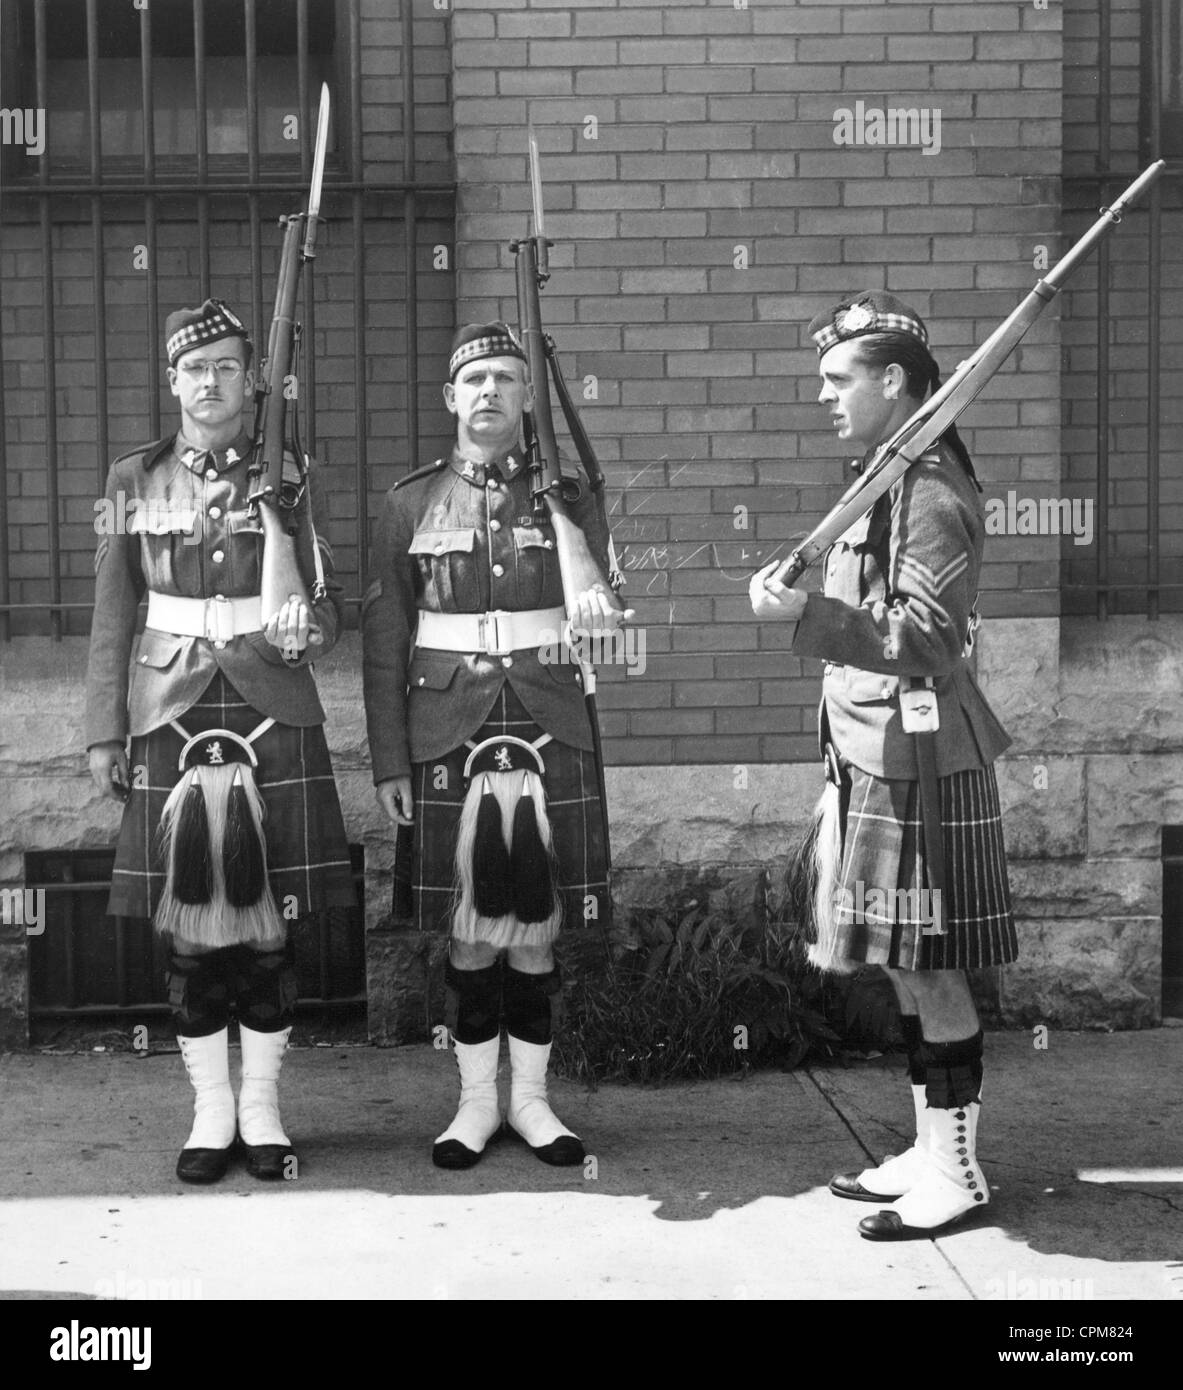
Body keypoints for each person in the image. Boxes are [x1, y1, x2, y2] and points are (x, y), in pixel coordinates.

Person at [750, 292, 1017, 1239]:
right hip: (872, 750)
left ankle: (957, 1171)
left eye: (837, 379)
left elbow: (930, 638)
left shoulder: (931, 488)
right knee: (902, 967)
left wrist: (804, 621)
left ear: (893, 381)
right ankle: (926, 1148)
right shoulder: (883, 478)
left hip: (920, 762)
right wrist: (793, 586)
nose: (822, 396)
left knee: (932, 968)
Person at [85, 299, 355, 1183]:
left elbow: (328, 611)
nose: (210, 382)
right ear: (172, 382)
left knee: (271, 925)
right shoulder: (134, 478)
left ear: (252, 380)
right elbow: (113, 614)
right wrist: (102, 732)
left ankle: (265, 1111)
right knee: (192, 934)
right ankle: (210, 1114)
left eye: (227, 367)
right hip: (169, 711)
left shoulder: (292, 474)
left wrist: (305, 624)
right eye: (193, 369)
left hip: (270, 703)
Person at [362, 322, 614, 1170]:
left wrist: (569, 515)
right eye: (475, 380)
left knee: (536, 927)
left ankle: (534, 1104)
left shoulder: (569, 495)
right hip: (447, 725)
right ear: (449, 397)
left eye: (508, 379)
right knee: (467, 933)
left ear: (524, 398)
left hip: (547, 716)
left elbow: (598, 600)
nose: (491, 393)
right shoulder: (408, 503)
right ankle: (473, 1106)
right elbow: (385, 633)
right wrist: (391, 760)